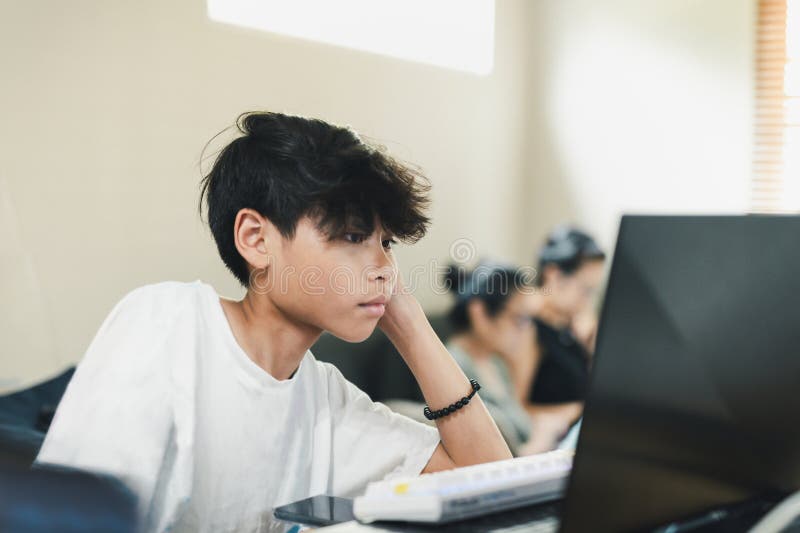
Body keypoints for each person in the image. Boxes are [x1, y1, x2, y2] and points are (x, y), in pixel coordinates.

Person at [34, 112, 513, 532]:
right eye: (351, 234)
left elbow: (492, 487)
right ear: (256, 240)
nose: (384, 265)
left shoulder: (327, 398)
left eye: (386, 242)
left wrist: (410, 326)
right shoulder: (168, 323)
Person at [441, 261, 544, 456]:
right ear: (479, 313)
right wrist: (545, 437)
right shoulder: (453, 368)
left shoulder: (495, 363)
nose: (526, 330)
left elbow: (519, 423)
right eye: (520, 319)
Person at [517, 225, 606, 451]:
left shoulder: (567, 324)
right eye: (585, 290)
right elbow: (515, 411)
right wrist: (576, 411)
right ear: (554, 276)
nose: (587, 301)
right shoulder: (527, 327)